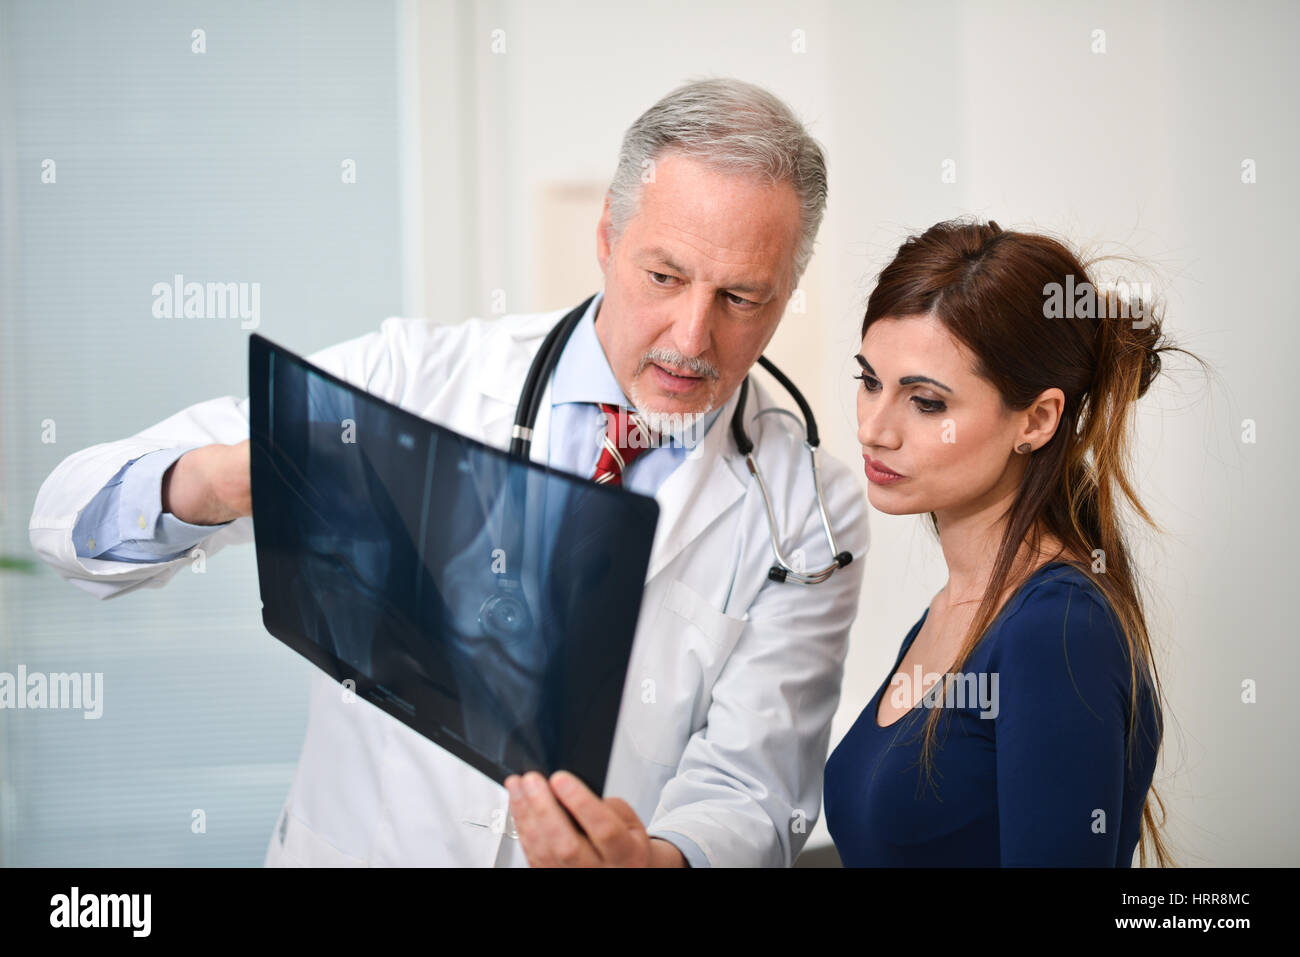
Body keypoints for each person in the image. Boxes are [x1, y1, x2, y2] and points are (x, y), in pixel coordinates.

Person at [28, 78, 869, 867]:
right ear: (608, 240)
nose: (690, 336)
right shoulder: (416, 379)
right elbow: (67, 521)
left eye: (741, 297)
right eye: (664, 275)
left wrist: (660, 858)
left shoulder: (809, 511)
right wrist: (221, 484)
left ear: (787, 292)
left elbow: (756, 791)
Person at [824, 219, 1187, 867]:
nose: (875, 429)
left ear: (1038, 418)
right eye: (870, 381)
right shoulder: (949, 610)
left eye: (927, 402)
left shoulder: (1057, 629)